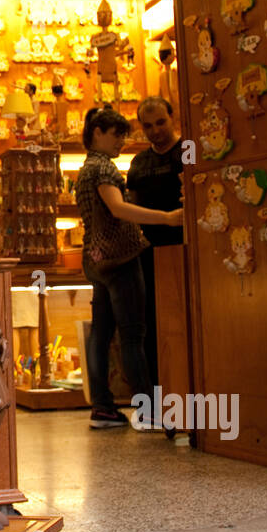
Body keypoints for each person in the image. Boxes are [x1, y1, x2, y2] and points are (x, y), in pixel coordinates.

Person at [76, 106, 183, 430]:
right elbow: (118, 208)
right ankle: (148, 410)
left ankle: (103, 409)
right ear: (98, 133)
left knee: (102, 335)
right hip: (120, 257)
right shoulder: (104, 168)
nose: (122, 141)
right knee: (133, 335)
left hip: (95, 259)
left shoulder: (86, 168)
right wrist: (166, 217)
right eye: (117, 135)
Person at [126, 96, 184, 384]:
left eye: (161, 122)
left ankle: (189, 389)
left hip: (186, 251)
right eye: (148, 126)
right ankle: (161, 394)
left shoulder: (188, 151)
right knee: (153, 324)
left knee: (186, 322)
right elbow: (132, 206)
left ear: (173, 117)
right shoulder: (139, 161)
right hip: (148, 255)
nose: (155, 130)